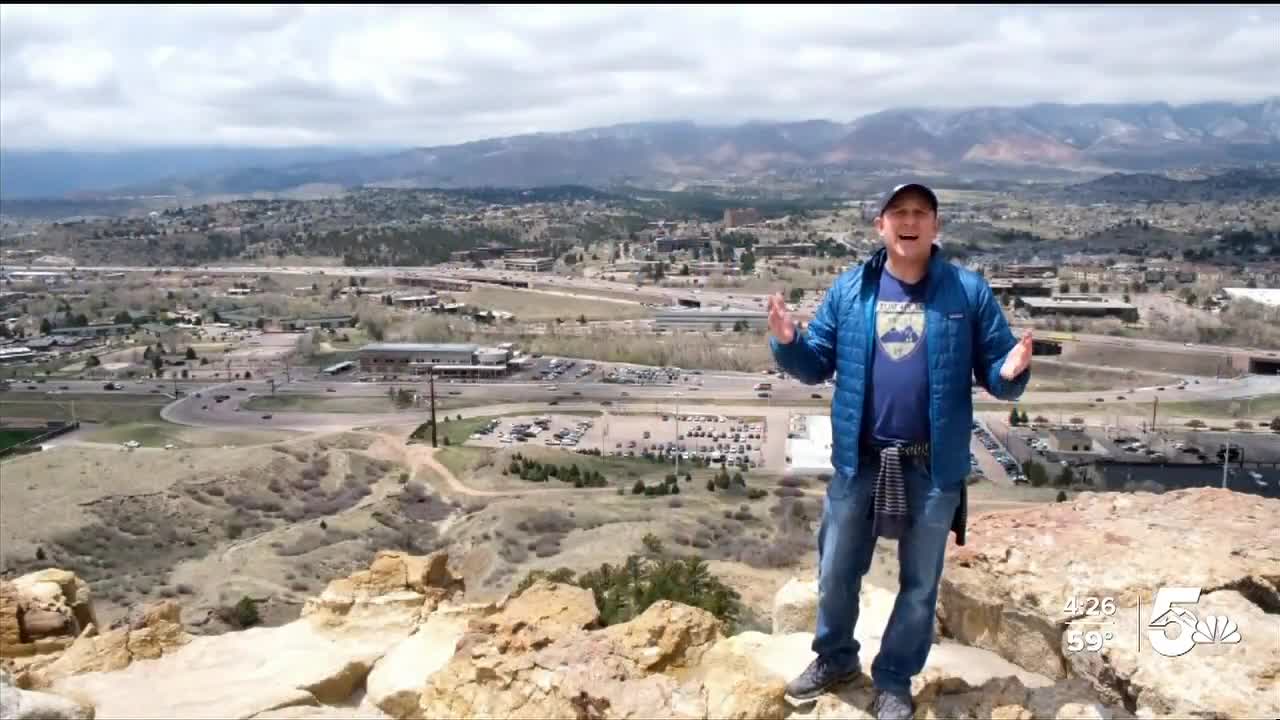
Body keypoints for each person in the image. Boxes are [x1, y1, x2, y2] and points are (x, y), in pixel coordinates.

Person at [767, 183, 1033, 720]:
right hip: (859, 459)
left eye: (921, 213)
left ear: (935, 226)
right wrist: (789, 344)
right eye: (898, 213)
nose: (909, 221)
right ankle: (836, 658)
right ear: (880, 226)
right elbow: (817, 362)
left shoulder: (967, 292)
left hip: (931, 465)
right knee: (837, 568)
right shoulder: (850, 290)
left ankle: (894, 678)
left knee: (919, 582)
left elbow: (998, 367)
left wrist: (1012, 374)